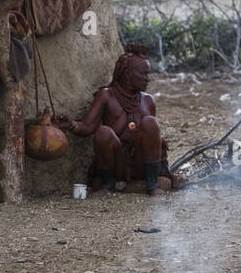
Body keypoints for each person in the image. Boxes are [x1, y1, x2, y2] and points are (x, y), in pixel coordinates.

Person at [54, 43, 165, 194]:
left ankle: (152, 184)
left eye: (148, 74)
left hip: (141, 164)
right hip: (117, 165)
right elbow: (87, 127)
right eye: (143, 74)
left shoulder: (148, 100)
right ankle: (108, 183)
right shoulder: (106, 95)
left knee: (150, 122)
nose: (148, 79)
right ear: (127, 74)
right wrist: (71, 125)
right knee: (103, 132)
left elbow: (152, 139)